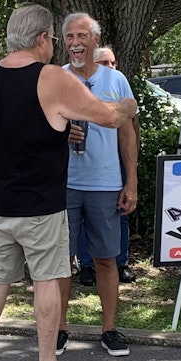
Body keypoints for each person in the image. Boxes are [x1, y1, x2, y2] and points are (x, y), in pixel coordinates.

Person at [0, 4, 137, 361]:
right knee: (47, 280)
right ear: (42, 39)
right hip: (42, 206)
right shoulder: (50, 77)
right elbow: (108, 116)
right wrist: (128, 104)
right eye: (53, 37)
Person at [58, 13, 138, 357]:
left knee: (107, 259)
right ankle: (59, 329)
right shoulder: (53, 78)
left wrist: (130, 181)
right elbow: (35, 131)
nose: (75, 43)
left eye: (81, 36)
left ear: (95, 39)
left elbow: (128, 134)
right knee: (61, 261)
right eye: (69, 37)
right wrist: (60, 135)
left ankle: (109, 329)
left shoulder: (116, 79)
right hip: (63, 184)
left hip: (106, 184)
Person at [74, 46, 136, 286]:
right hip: (80, 171)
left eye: (113, 63)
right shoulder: (72, 83)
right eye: (104, 63)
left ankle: (121, 262)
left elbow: (130, 131)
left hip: (114, 165)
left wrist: (132, 174)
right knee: (81, 220)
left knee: (120, 214)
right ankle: (86, 265)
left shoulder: (119, 84)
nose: (109, 67)